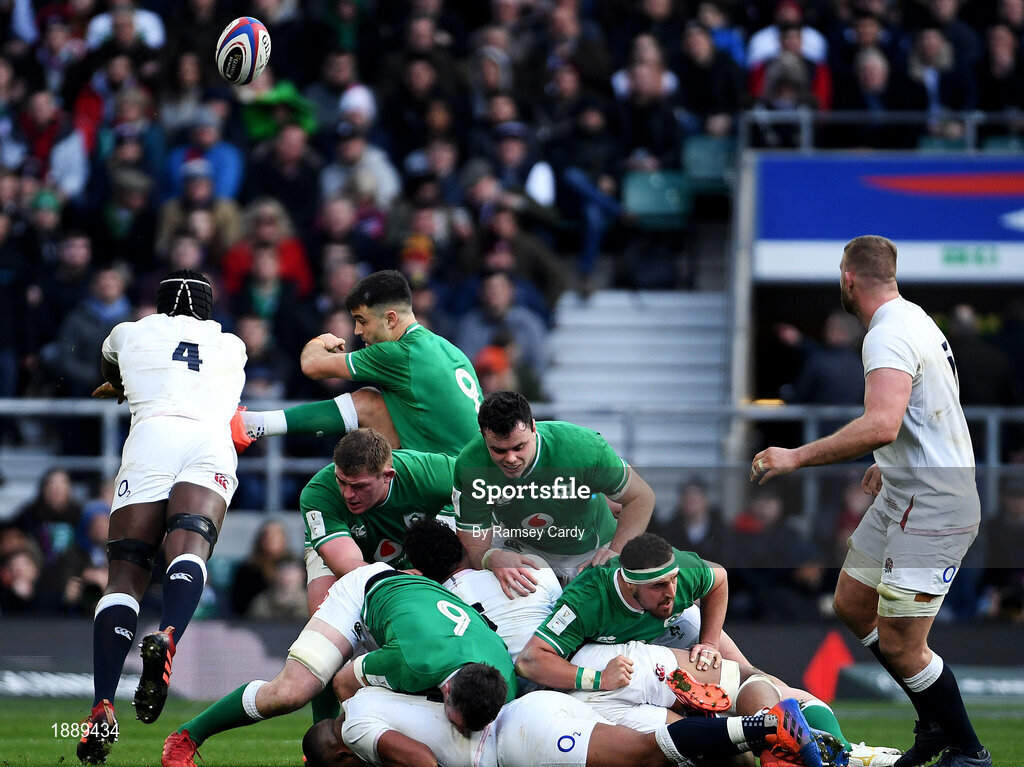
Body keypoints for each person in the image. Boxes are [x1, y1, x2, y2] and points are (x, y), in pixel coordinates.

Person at [751, 235, 991, 767]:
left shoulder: (886, 335)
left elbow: (881, 423)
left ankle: (967, 749)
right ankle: (933, 720)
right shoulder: (914, 318)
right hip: (907, 489)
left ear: (848, 277)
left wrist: (796, 456)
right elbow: (925, 408)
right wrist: (894, 462)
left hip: (934, 505)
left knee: (906, 645)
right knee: (853, 604)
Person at [76, 269, 246, 765]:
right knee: (190, 545)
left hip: (151, 438)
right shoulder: (232, 346)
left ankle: (101, 704)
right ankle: (170, 633)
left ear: (159, 304)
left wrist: (118, 384)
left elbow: (111, 364)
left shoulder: (129, 332)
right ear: (208, 309)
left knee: (125, 576)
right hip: (208, 440)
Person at [159, 563, 516, 767]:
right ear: (448, 689)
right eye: (462, 724)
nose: (465, 731)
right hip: (365, 596)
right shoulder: (413, 663)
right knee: (291, 692)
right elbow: (345, 682)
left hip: (418, 612)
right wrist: (353, 741)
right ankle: (186, 737)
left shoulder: (504, 682)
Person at [237, 270, 483, 458]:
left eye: (361, 320)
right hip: (480, 476)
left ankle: (256, 425)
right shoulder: (450, 350)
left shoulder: (399, 353)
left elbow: (311, 365)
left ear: (390, 319)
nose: (357, 331)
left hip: (452, 477)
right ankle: (256, 424)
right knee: (372, 403)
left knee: (324, 490)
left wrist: (321, 339)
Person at [302, 686, 837, 767]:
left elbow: (418, 761)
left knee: (646, 752)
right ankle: (763, 736)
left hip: (518, 739)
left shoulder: (356, 731)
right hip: (525, 713)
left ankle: (762, 724)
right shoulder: (367, 691)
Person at [453, 391, 655, 593]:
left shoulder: (583, 449)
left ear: (533, 427)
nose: (511, 458)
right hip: (520, 547)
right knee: (496, 589)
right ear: (483, 435)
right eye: (499, 450)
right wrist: (491, 558)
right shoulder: (470, 465)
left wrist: (616, 552)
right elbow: (475, 548)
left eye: (519, 446)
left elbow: (641, 497)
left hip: (589, 552)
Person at [404, 516, 563, 663]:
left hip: (498, 686)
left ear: (421, 573)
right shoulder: (531, 565)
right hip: (561, 666)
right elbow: (566, 613)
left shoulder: (432, 610)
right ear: (465, 547)